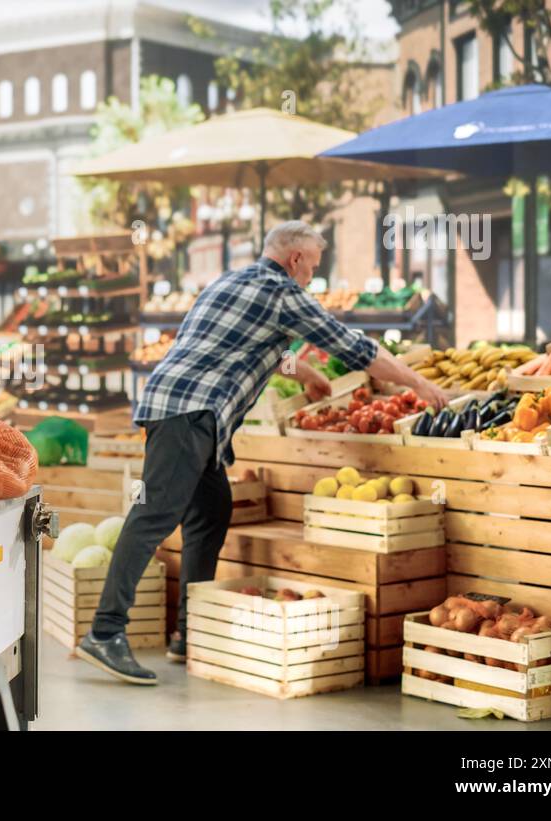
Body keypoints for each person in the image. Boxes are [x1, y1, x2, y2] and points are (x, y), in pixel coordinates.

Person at [76, 221, 448, 685]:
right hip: (189, 414)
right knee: (152, 515)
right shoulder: (283, 292)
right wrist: (418, 382)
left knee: (210, 512)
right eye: (312, 265)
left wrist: (307, 373)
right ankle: (105, 632)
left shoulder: (232, 280)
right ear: (295, 260)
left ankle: (190, 633)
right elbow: (355, 349)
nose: (312, 275)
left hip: (183, 410)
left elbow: (254, 348)